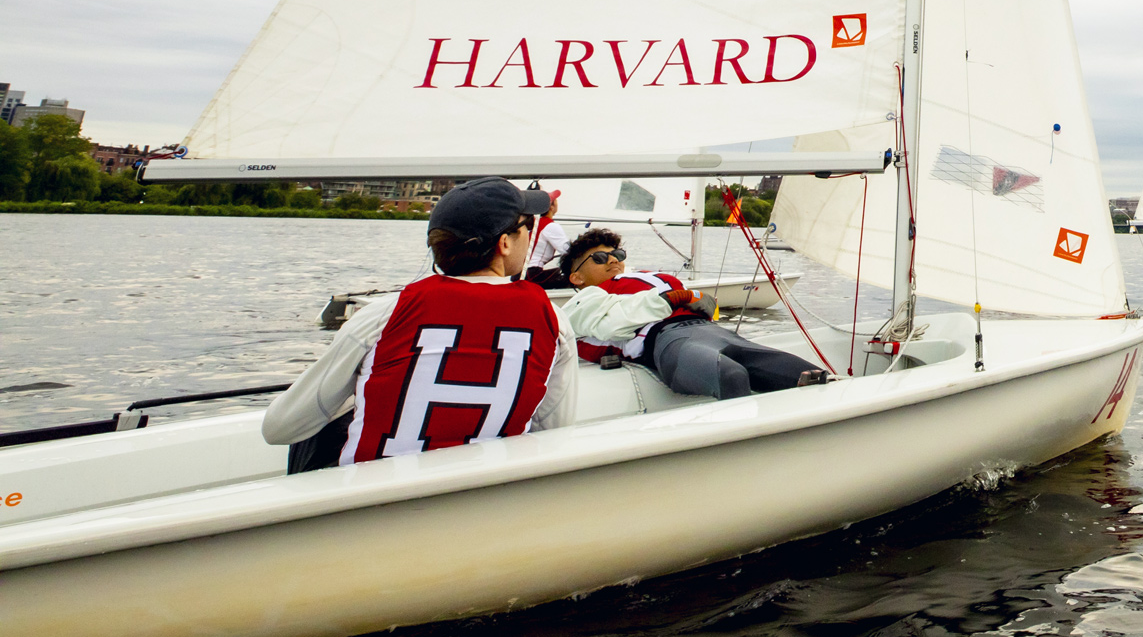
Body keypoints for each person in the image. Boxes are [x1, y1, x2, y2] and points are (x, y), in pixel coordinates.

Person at [263, 178, 576, 472]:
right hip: (483, 498)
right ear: (504, 243)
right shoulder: (555, 322)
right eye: (527, 226)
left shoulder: (383, 315)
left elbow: (279, 428)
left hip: (369, 505)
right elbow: (553, 432)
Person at [559, 229, 828, 399]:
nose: (614, 260)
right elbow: (614, 326)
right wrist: (677, 298)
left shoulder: (644, 278)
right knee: (731, 376)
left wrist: (695, 300)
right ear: (577, 277)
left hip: (713, 333)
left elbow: (705, 309)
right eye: (599, 258)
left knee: (811, 374)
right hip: (665, 340)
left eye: (617, 253)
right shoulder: (582, 302)